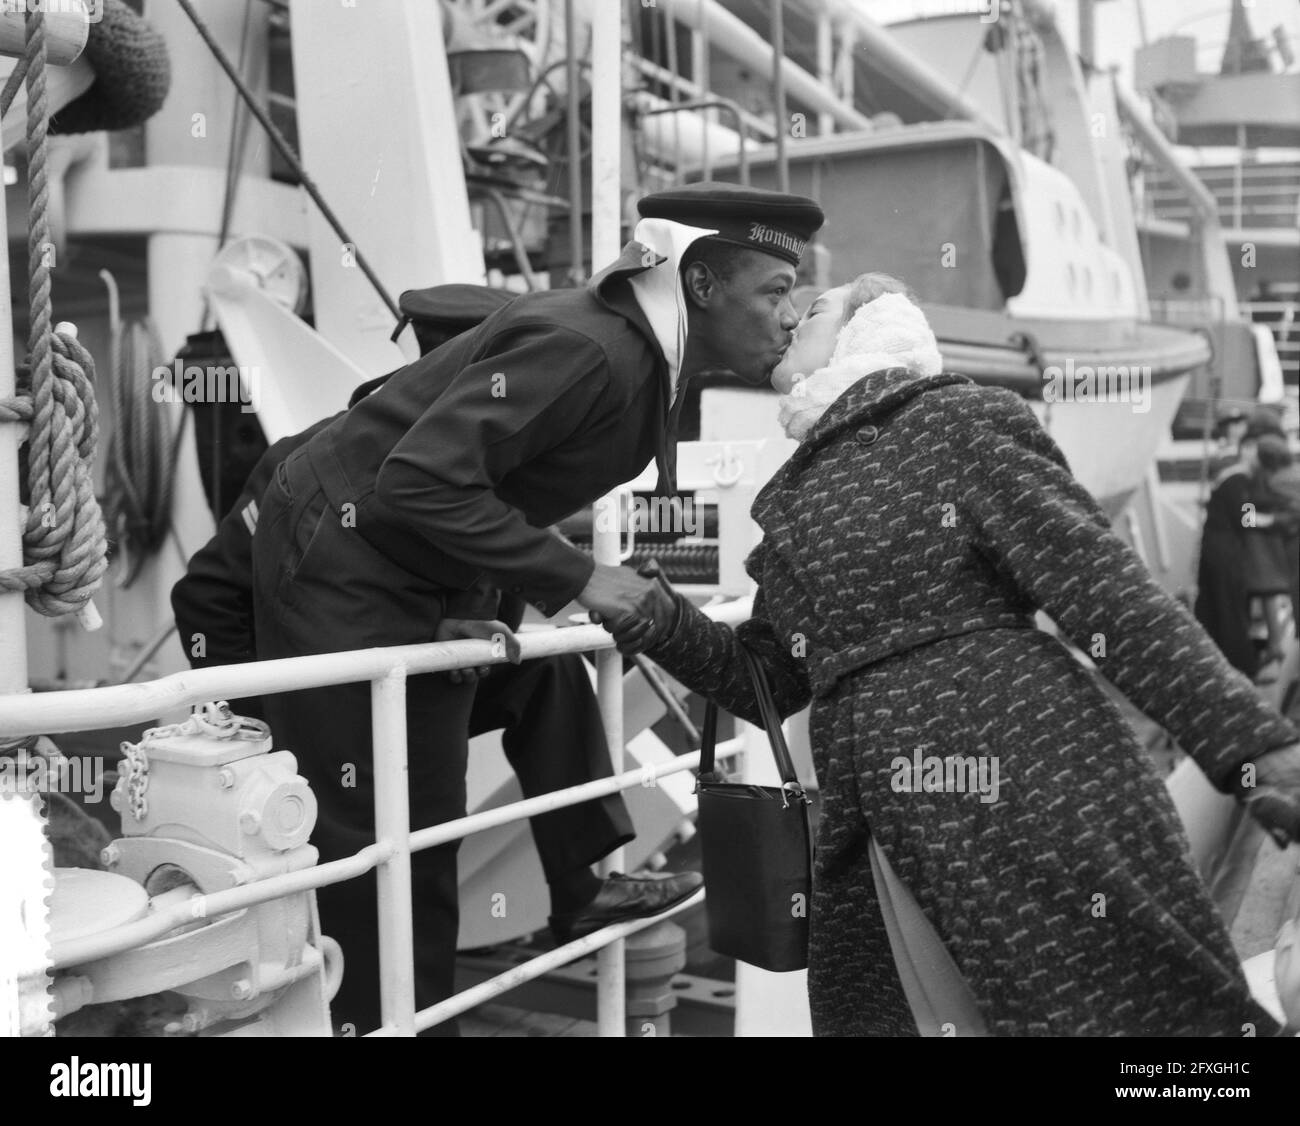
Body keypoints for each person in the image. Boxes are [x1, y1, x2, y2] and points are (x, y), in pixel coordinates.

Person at [603, 273, 1300, 1036]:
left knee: (1121, 1022)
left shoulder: (958, 421)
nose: (796, 309)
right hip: (869, 827)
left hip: (1022, 783)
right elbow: (766, 680)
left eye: (821, 304)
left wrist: (1257, 755)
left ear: (872, 327)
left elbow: (1110, 597)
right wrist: (659, 617)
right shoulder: (794, 493)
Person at [248, 183, 826, 1034]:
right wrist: (581, 580)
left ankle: (577, 888)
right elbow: (418, 479)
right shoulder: (592, 349)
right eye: (775, 291)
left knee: (526, 695)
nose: (788, 318)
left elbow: (500, 485)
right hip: (341, 567)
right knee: (393, 841)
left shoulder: (641, 360)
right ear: (700, 284)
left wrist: (478, 603)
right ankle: (389, 1022)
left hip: (410, 574)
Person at [171, 284, 668, 968]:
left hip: (423, 676)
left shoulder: (494, 468)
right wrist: (269, 733)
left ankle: (578, 886)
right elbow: (205, 598)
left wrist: (475, 630)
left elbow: (487, 587)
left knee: (544, 671)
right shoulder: (322, 459)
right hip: (324, 694)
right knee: (406, 849)